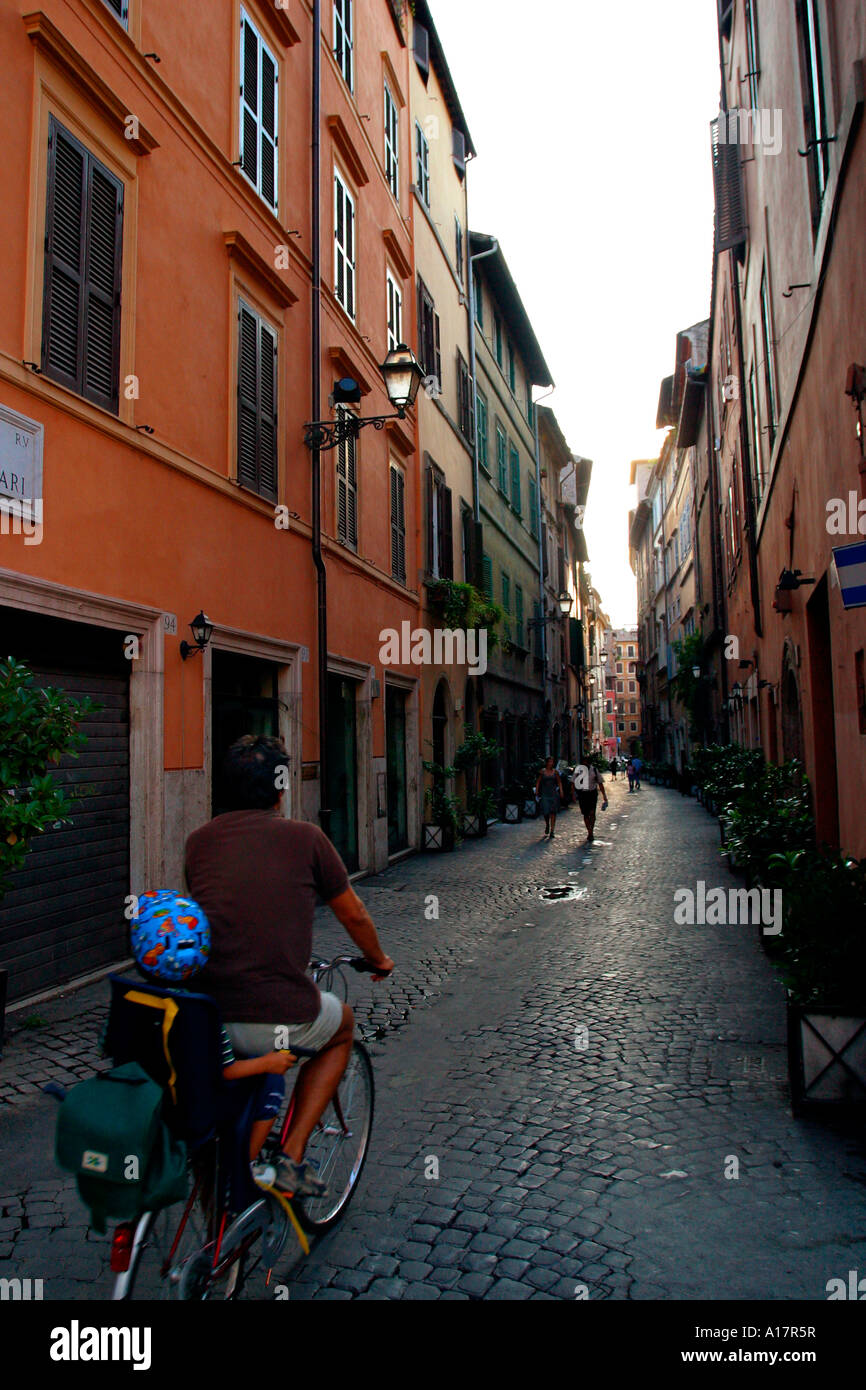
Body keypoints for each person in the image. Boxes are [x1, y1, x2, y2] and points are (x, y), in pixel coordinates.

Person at [185, 734, 394, 1199]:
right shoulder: (306, 838)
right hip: (274, 1013)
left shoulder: (198, 842)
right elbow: (354, 914)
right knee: (342, 1025)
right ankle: (290, 1156)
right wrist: (378, 958)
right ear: (280, 789)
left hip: (207, 1018)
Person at [572, 757, 608, 842]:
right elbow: (573, 782)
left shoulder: (594, 770)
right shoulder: (578, 771)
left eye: (587, 762)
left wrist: (604, 795)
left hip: (592, 794)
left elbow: (600, 783)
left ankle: (591, 832)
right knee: (585, 814)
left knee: (592, 813)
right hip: (582, 794)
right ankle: (589, 831)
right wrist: (573, 794)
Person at [535, 756, 564, 839]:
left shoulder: (555, 772)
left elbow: (559, 782)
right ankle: (547, 824)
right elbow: (538, 782)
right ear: (547, 763)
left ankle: (552, 830)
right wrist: (537, 791)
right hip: (545, 794)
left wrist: (561, 791)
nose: (551, 763)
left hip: (553, 794)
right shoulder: (542, 772)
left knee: (553, 812)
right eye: (550, 762)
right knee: (546, 812)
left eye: (552, 762)